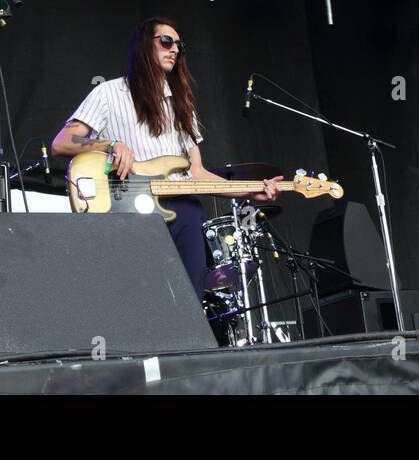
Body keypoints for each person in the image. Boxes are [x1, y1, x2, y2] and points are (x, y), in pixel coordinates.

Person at [52, 17, 279, 297]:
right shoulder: (109, 93)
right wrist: (108, 144)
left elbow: (197, 174)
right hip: (131, 207)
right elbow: (61, 142)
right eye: (166, 42)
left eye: (179, 45)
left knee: (189, 297)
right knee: (143, 296)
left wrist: (251, 191)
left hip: (182, 208)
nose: (175, 50)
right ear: (144, 47)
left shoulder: (182, 104)